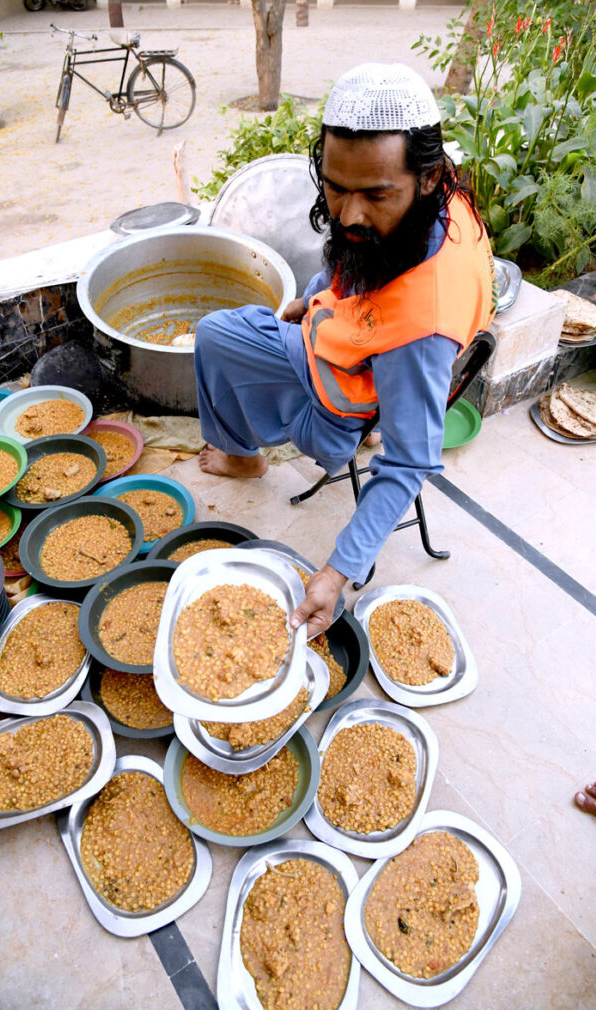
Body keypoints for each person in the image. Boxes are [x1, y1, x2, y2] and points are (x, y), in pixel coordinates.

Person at [194, 63, 496, 636]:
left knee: (214, 334)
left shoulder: (422, 328)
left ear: (427, 177)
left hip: (341, 401)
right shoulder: (440, 201)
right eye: (336, 187)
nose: (349, 214)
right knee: (309, 292)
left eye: (375, 194)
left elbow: (411, 461)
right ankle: (366, 413)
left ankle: (242, 455)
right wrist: (311, 299)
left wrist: (335, 574)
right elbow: (351, 261)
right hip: (365, 356)